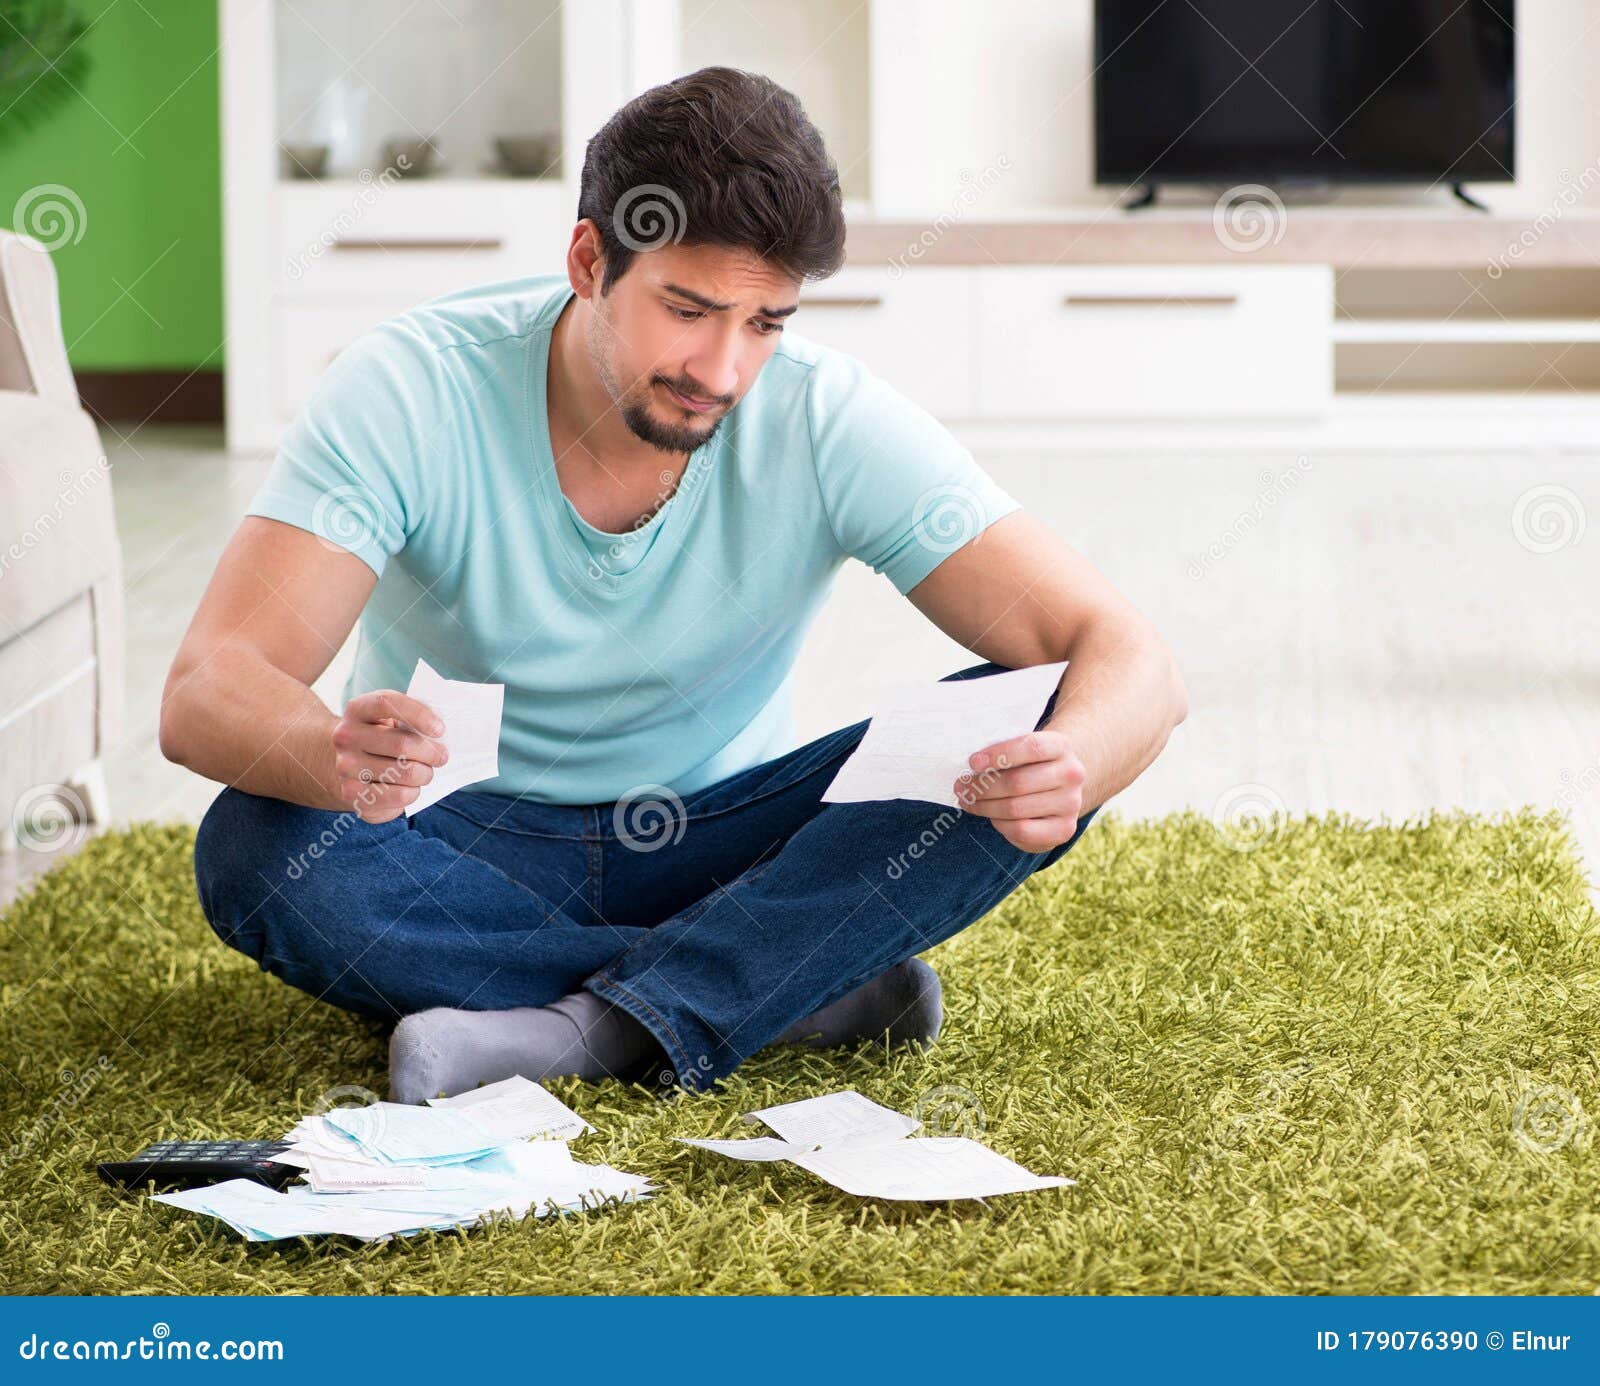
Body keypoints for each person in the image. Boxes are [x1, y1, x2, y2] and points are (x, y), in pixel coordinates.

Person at [162, 67, 1187, 1102]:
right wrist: (329, 754)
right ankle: (774, 986)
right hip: (459, 838)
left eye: (765, 323)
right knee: (257, 844)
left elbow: (1125, 654)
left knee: (1037, 709)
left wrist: (1075, 760)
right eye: (688, 309)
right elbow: (211, 685)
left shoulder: (824, 418)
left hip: (721, 840)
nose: (723, 369)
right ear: (587, 259)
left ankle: (580, 1024)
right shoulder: (407, 389)